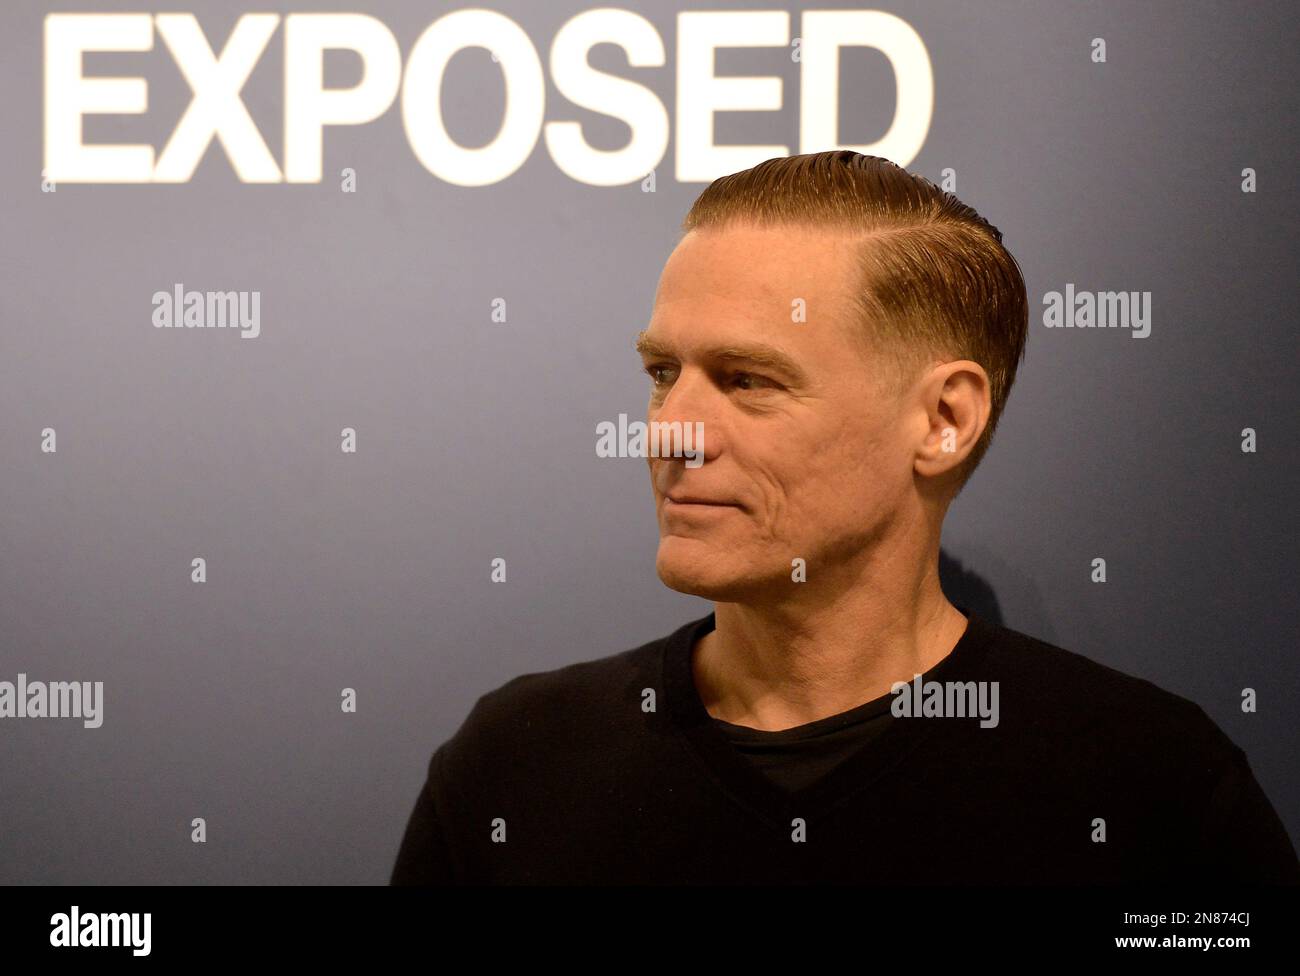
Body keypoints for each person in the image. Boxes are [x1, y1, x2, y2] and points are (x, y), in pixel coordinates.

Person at [391, 151, 1298, 884]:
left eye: (749, 380)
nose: (673, 432)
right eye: (663, 374)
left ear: (943, 420)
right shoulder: (518, 767)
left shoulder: (1151, 792)